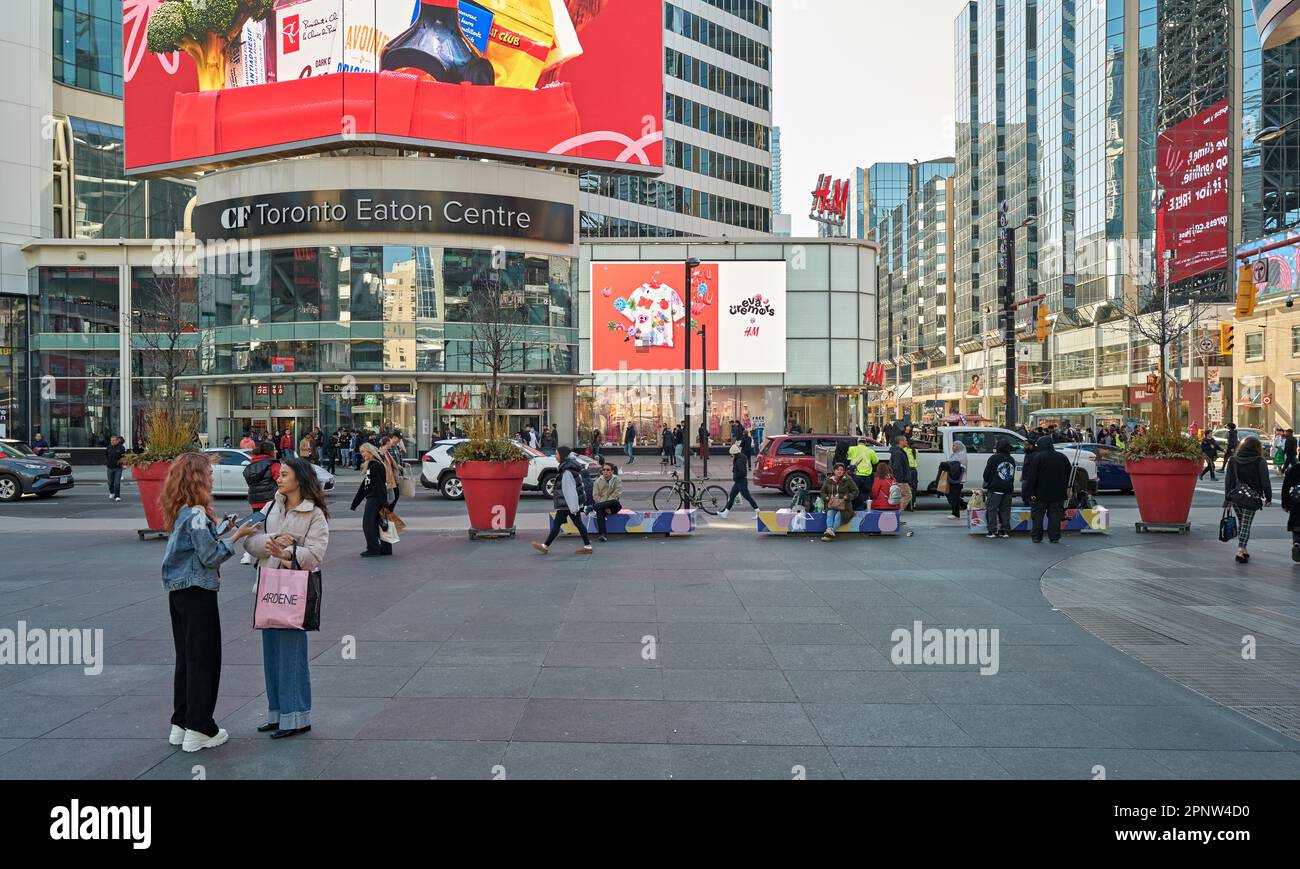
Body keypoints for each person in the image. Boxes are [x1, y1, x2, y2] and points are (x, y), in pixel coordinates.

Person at [159, 452, 259, 753]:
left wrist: (223, 529)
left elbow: (194, 547)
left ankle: (181, 722)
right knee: (204, 660)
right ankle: (201, 728)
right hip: (198, 592)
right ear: (197, 478)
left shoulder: (182, 512)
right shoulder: (198, 513)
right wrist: (239, 535)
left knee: (186, 659)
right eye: (208, 473)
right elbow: (210, 556)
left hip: (178, 593)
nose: (212, 477)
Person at [243, 457, 330, 740]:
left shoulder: (314, 513)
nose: (278, 479)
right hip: (268, 587)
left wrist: (289, 552)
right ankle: (278, 714)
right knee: (271, 655)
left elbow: (316, 555)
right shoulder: (271, 506)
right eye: (279, 475)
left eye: (284, 475)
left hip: (294, 591)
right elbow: (250, 541)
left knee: (292, 655)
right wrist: (268, 543)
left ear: (299, 479)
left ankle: (297, 717)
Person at [534, 446, 592, 554]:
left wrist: (574, 507)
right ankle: (588, 546)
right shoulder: (570, 468)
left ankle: (545, 546)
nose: (555, 456)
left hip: (567, 504)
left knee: (557, 524)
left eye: (557, 454)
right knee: (578, 523)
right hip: (571, 504)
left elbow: (569, 490)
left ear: (563, 456)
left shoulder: (567, 472)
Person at [1224, 436, 1272, 563]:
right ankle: (1240, 550)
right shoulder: (1260, 461)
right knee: (1246, 523)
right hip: (1252, 497)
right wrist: (1268, 497)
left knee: (1242, 522)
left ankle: (1244, 549)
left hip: (1236, 496)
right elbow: (1265, 481)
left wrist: (1227, 498)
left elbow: (1229, 480)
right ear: (1257, 448)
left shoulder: (1233, 459)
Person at [1023, 435, 1071, 543]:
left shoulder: (1038, 458)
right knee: (1055, 516)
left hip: (1040, 493)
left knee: (1038, 516)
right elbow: (1068, 473)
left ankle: (1036, 536)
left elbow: (1032, 477)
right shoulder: (1062, 457)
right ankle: (1054, 537)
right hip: (1058, 493)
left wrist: (1030, 492)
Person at [351, 443, 392, 557]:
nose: (362, 454)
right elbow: (364, 486)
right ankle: (385, 549)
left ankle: (373, 548)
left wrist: (384, 504)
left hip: (375, 499)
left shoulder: (375, 466)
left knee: (368, 525)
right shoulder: (372, 465)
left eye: (364, 451)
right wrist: (355, 503)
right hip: (374, 498)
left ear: (370, 451)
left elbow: (380, 485)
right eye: (361, 452)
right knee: (379, 524)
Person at [982, 440, 1016, 539]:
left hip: (995, 488)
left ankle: (992, 531)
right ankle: (1005, 531)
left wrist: (988, 482)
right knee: (1005, 510)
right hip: (1008, 488)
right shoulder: (1011, 459)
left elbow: (986, 474)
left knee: (991, 509)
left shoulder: (993, 458)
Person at [819, 462, 859, 541]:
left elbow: (855, 491)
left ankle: (829, 533)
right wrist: (826, 497)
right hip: (832, 504)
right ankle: (830, 531)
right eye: (837, 470)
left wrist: (847, 497)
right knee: (830, 513)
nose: (839, 471)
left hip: (844, 506)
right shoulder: (829, 480)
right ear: (834, 471)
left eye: (841, 470)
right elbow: (822, 492)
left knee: (838, 516)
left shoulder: (848, 480)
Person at [718, 440, 759, 517]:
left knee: (748, 497)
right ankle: (725, 513)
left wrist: (736, 475)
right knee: (732, 496)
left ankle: (757, 511)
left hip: (741, 482)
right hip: (738, 482)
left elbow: (742, 472)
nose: (731, 456)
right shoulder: (739, 459)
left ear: (735, 454)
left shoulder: (739, 461)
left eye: (731, 455)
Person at [591, 462, 624, 542]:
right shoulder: (597, 481)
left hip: (613, 506)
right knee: (600, 511)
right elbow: (595, 496)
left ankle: (590, 508)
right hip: (601, 506)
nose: (605, 471)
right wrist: (604, 506)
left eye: (608, 470)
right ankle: (603, 534)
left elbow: (617, 494)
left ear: (612, 471)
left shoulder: (617, 480)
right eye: (603, 469)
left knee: (615, 502)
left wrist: (607, 505)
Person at [846, 437, 878, 510]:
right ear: (865, 443)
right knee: (865, 493)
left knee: (855, 491)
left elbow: (846, 454)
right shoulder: (870, 451)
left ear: (857, 442)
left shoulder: (852, 449)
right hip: (866, 475)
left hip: (855, 475)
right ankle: (862, 508)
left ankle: (855, 507)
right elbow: (875, 461)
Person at [1280, 458, 1300, 562]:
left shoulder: (1294, 469)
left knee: (1297, 525)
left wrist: (1285, 503)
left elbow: (1285, 487)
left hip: (1297, 502)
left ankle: (1296, 544)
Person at [943, 441, 968, 519]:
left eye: (954, 445)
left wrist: (949, 464)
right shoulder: (954, 455)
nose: (952, 447)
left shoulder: (962, 456)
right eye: (952, 445)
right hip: (951, 478)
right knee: (951, 495)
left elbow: (958, 467)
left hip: (958, 479)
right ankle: (965, 505)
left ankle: (956, 513)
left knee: (954, 496)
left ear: (959, 447)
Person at [888, 436, 912, 511]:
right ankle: (896, 512)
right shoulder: (899, 453)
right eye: (905, 440)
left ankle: (896, 513)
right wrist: (899, 480)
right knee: (908, 495)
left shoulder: (897, 452)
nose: (907, 442)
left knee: (899, 496)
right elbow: (897, 467)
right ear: (900, 442)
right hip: (901, 480)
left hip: (899, 479)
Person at [105, 435, 127, 502]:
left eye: (114, 440)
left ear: (117, 441)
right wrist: (106, 462)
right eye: (111, 440)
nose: (112, 441)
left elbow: (124, 457)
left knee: (117, 482)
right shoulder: (109, 447)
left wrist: (124, 464)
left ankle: (117, 496)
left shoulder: (121, 448)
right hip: (110, 467)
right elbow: (106, 455)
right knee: (110, 482)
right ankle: (111, 492)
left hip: (118, 468)